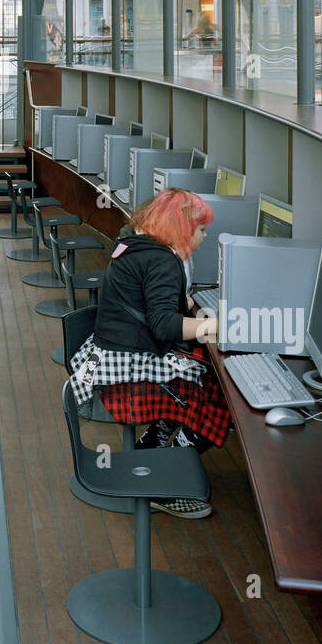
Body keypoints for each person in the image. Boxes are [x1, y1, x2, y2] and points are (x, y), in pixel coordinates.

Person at [69, 188, 230, 519]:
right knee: (219, 403)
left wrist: (179, 304)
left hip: (102, 358)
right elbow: (162, 326)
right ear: (181, 229)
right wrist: (218, 324)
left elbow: (146, 302)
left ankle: (150, 450)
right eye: (201, 229)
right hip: (123, 371)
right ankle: (165, 482)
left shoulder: (134, 245)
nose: (205, 235)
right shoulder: (162, 260)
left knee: (190, 384)